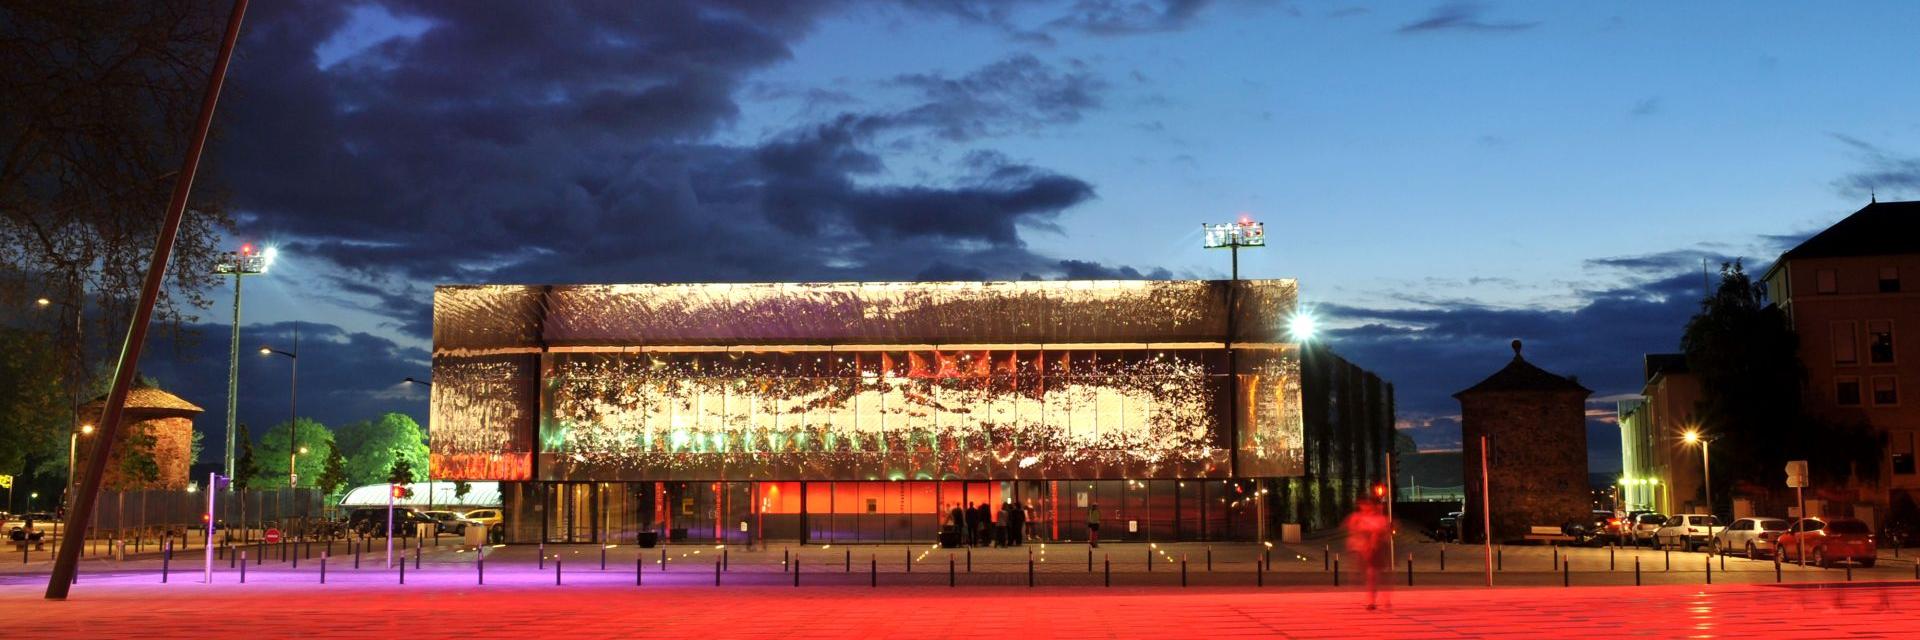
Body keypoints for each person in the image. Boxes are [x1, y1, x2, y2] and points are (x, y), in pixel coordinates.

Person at [1344, 499, 1392, 610]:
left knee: (1377, 576)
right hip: (1369, 550)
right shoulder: (1362, 518)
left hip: (1377, 550)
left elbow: (1383, 533)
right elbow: (1355, 530)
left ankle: (1383, 599)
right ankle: (1373, 601)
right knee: (1372, 576)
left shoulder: (1379, 519)